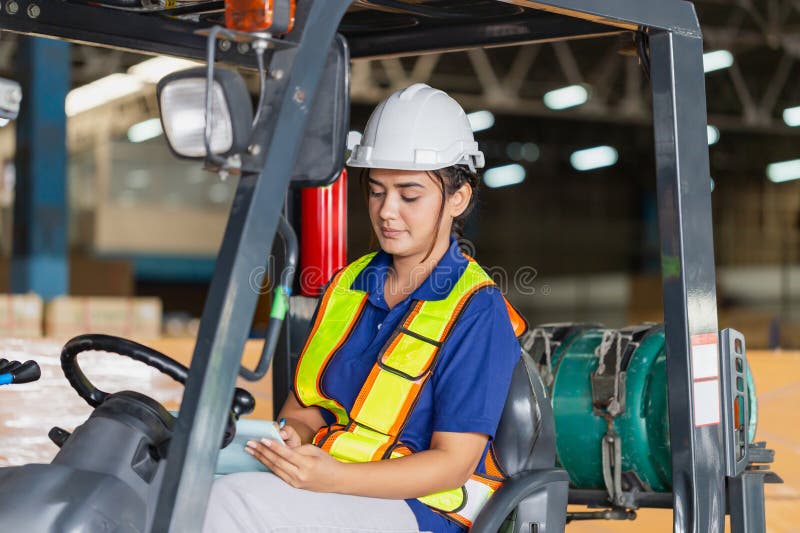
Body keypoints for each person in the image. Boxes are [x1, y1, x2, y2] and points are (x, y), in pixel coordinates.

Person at [203, 83, 526, 533]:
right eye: (377, 191)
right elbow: (304, 407)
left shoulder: (477, 309)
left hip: (418, 511)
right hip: (335, 488)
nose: (387, 211)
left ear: (458, 198)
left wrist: (335, 477)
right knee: (173, 482)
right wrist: (290, 438)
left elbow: (452, 464)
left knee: (232, 503)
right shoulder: (348, 286)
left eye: (409, 195)